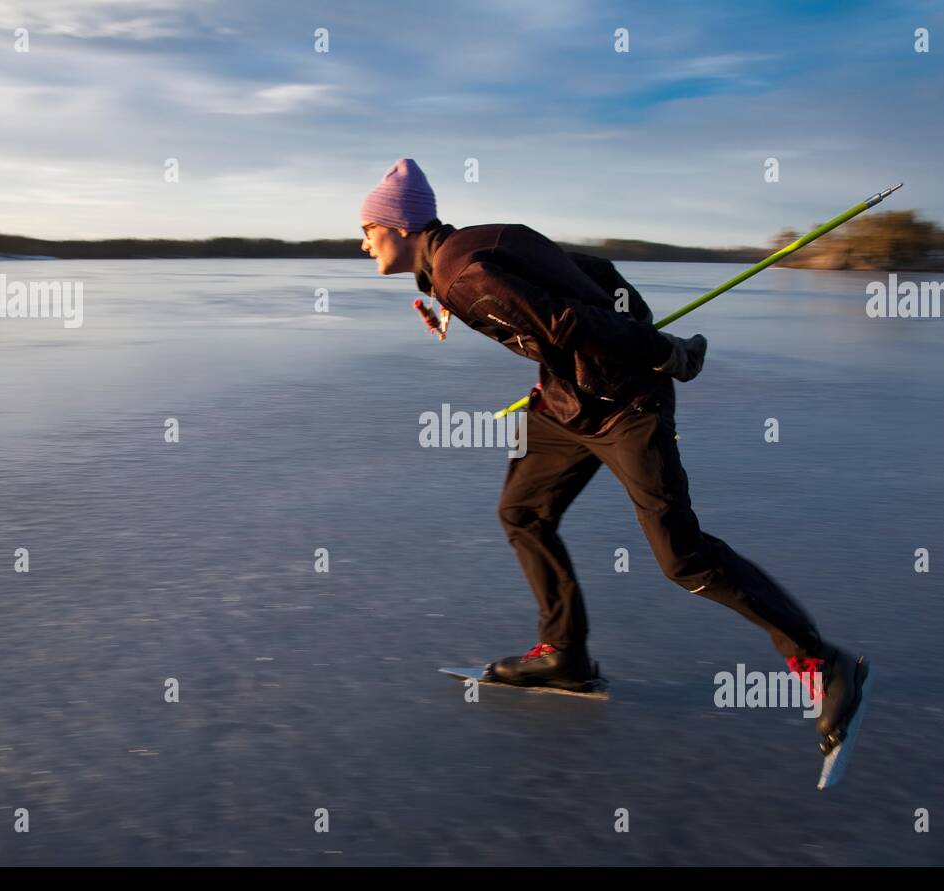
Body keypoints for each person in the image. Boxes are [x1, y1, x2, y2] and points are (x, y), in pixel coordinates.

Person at [359, 158, 869, 755]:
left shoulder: (461, 274)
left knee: (682, 557)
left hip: (627, 407)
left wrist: (657, 354)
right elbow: (596, 273)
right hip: (569, 402)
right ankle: (563, 655)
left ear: (400, 225)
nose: (363, 244)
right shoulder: (479, 247)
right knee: (523, 512)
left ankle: (824, 664)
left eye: (367, 230)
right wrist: (626, 338)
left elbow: (564, 320)